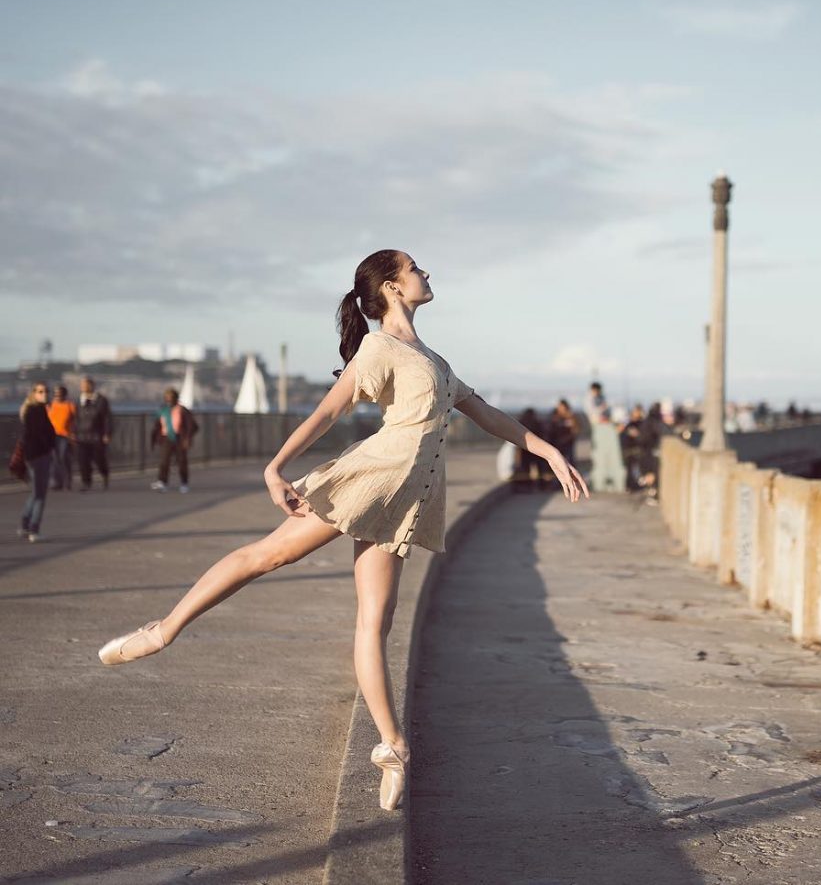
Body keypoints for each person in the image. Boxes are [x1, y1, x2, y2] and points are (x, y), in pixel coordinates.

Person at [96, 249, 590, 812]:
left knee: (374, 623)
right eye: (415, 267)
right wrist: (274, 467)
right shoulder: (379, 348)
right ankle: (164, 630)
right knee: (269, 556)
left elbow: (486, 414)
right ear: (393, 287)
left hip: (404, 499)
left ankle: (393, 747)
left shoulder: (430, 357)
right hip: (369, 480)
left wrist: (548, 450)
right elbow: (329, 412)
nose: (426, 273)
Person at [18, 383, 56, 542]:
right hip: (39, 456)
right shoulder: (37, 411)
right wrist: (49, 447)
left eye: (47, 391)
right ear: (33, 394)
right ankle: (34, 529)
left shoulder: (33, 410)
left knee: (36, 492)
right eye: (41, 391)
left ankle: (25, 525)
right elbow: (41, 434)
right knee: (40, 494)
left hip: (33, 456)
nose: (45, 394)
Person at [151, 387, 199, 493]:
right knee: (164, 461)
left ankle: (184, 483)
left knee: (182, 461)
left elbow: (193, 425)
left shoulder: (182, 410)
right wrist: (156, 438)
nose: (169, 400)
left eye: (171, 397)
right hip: (166, 438)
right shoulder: (163, 410)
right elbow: (157, 425)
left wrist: (187, 438)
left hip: (179, 438)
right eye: (167, 397)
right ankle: (163, 482)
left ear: (176, 398)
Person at [584, 381, 624, 493]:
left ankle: (612, 484)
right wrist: (602, 407)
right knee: (599, 459)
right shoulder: (589, 400)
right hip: (598, 429)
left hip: (606, 428)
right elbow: (592, 412)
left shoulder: (601, 398)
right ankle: (598, 484)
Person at [76, 377, 112, 491]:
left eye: (86, 385)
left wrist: (107, 433)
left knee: (99, 459)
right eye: (82, 385)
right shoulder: (78, 401)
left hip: (97, 435)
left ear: (92, 386)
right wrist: (73, 432)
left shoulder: (101, 400)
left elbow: (107, 418)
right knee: (83, 460)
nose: (84, 387)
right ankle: (86, 482)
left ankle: (104, 474)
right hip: (82, 436)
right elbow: (75, 418)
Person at [46, 385, 77, 490]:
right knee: (54, 459)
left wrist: (74, 433)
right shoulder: (51, 405)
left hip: (65, 436)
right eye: (56, 394)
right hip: (51, 436)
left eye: (59, 393)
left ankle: (67, 481)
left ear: (64, 394)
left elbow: (77, 420)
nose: (57, 395)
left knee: (64, 458)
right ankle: (56, 483)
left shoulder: (70, 406)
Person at [548, 398, 579, 467]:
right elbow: (551, 429)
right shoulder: (555, 416)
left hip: (568, 442)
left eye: (563, 408)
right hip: (557, 442)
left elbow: (576, 430)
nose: (561, 409)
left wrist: (568, 437)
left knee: (570, 461)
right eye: (560, 407)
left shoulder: (571, 417)